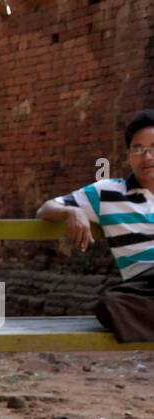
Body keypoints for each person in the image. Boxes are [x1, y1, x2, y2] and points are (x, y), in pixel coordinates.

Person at [36, 109, 154, 342]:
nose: (147, 156)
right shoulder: (108, 192)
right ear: (129, 156)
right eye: (138, 149)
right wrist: (72, 211)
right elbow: (45, 209)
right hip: (142, 287)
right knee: (111, 305)